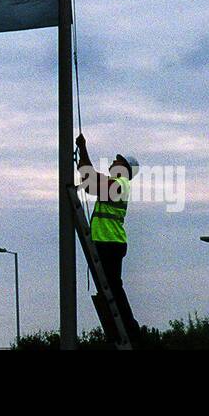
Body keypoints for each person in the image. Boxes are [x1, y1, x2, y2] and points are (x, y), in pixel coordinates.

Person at [75, 133, 141, 341]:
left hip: (110, 242)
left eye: (117, 160)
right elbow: (90, 181)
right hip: (109, 242)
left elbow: (92, 183)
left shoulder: (121, 184)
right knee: (111, 288)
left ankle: (130, 329)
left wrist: (83, 150)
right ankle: (127, 329)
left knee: (113, 288)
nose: (113, 162)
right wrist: (82, 152)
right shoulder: (117, 183)